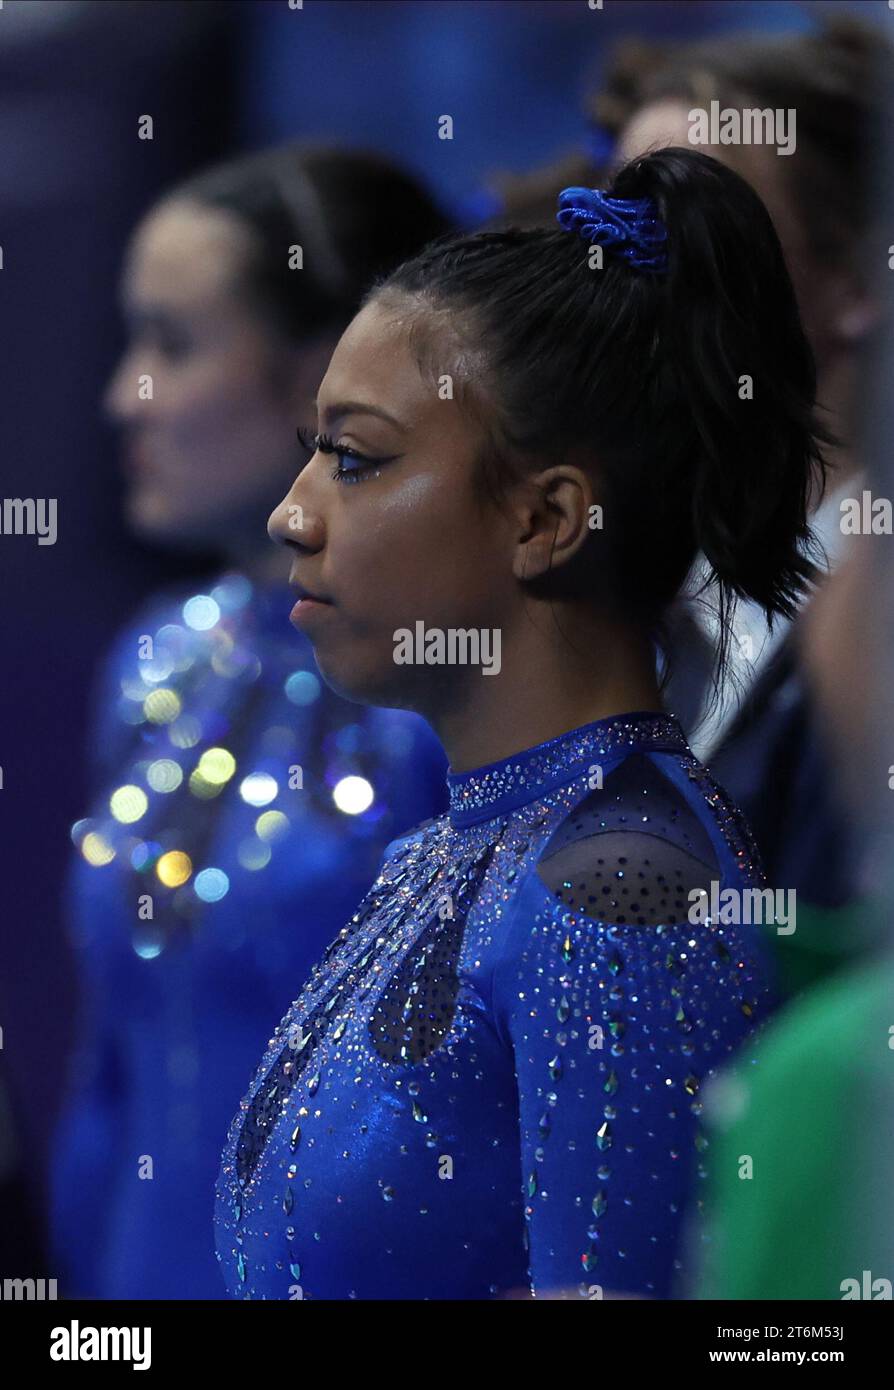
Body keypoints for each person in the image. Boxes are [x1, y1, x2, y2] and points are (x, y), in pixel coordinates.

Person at [214, 145, 828, 1299]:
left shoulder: (624, 888)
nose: (292, 515)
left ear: (546, 519)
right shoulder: (463, 846)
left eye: (354, 459)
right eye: (312, 456)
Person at [51, 143, 451, 1300]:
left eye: (172, 344)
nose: (123, 394)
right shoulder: (158, 660)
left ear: (326, 372)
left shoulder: (434, 686)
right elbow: (110, 1071)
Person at [597, 17, 888, 927]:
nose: (635, 273)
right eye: (619, 227)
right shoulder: (623, 592)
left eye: (691, 220)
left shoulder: (877, 604)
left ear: (859, 284)